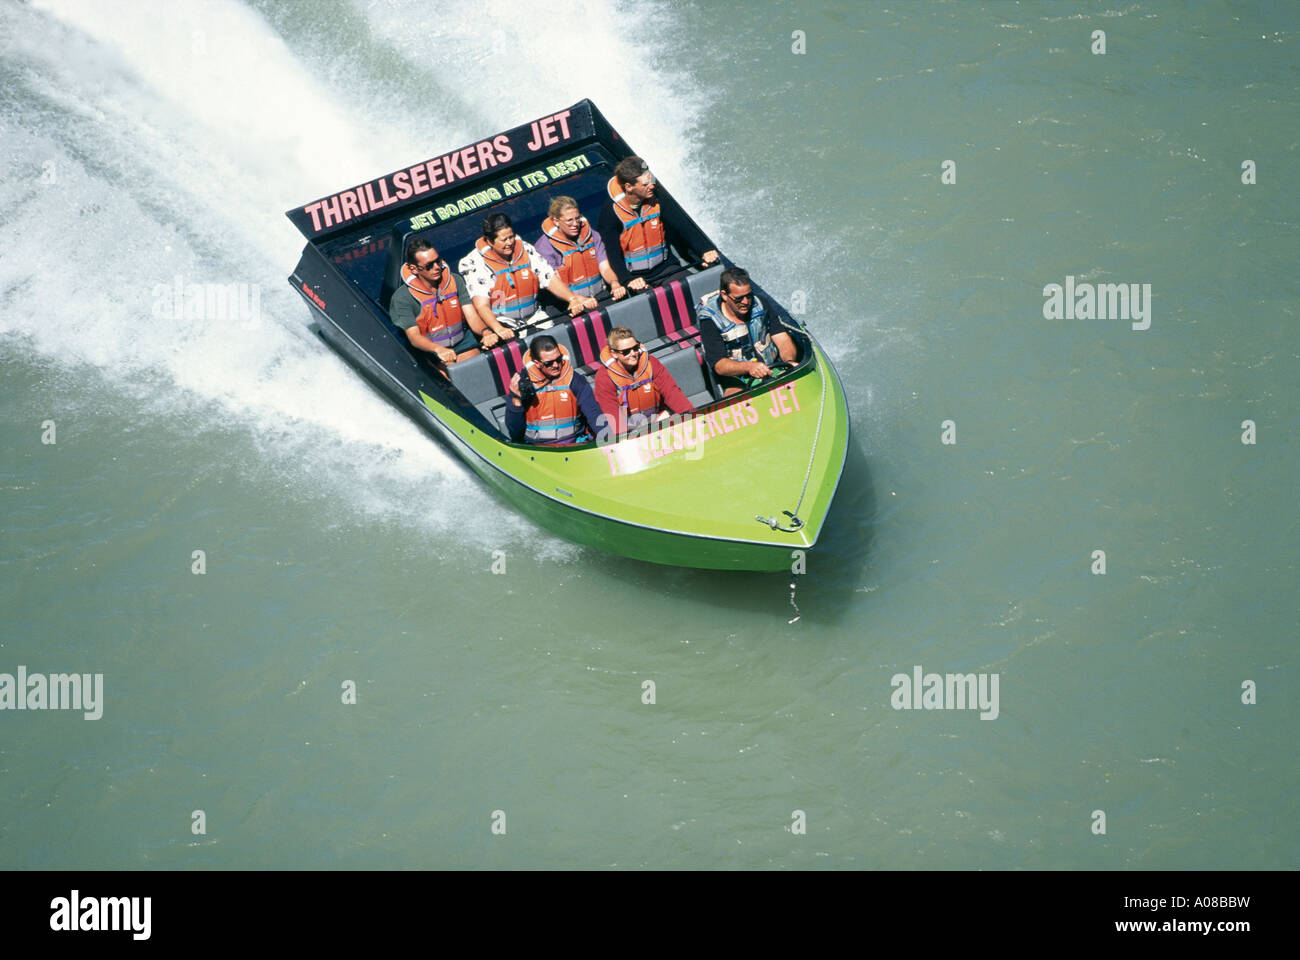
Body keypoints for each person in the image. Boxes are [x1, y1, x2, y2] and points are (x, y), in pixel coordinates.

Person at [596, 156, 718, 292]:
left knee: (695, 290)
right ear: (629, 187)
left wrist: (705, 250)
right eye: (645, 184)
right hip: (636, 278)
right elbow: (612, 253)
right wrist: (627, 280)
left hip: (666, 267)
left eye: (651, 181)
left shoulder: (658, 198)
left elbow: (684, 226)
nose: (652, 186)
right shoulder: (610, 212)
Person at [460, 213, 597, 329]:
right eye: (504, 240)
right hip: (503, 322)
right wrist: (498, 329)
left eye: (511, 237)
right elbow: (482, 305)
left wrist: (572, 299)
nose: (510, 243)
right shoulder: (474, 263)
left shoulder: (524, 249)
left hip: (535, 315)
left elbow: (548, 277)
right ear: (490, 241)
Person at [390, 238, 513, 362]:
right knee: (449, 373)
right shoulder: (402, 298)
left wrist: (485, 332)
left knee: (473, 366)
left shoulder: (455, 281)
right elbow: (414, 337)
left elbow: (471, 317)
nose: (437, 267)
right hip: (432, 352)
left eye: (438, 261)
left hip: (462, 342)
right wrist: (438, 349)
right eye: (429, 265)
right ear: (414, 269)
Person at [698, 267, 798, 396]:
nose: (746, 302)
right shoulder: (709, 321)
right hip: (738, 378)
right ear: (724, 295)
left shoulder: (761, 303)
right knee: (734, 397)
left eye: (748, 296)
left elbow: (782, 338)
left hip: (774, 366)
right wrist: (749, 367)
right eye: (738, 298)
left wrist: (788, 363)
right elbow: (719, 365)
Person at [592, 326, 693, 437]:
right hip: (627, 431)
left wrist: (691, 416)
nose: (633, 354)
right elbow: (611, 413)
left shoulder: (651, 363)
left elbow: (672, 392)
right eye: (626, 352)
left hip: (657, 421)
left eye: (635, 348)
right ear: (614, 353)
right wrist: (627, 440)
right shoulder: (604, 377)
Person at [505, 335, 605, 445]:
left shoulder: (575, 380)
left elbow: (594, 414)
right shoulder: (523, 385)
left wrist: (607, 439)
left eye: (558, 359)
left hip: (575, 443)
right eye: (549, 363)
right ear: (537, 363)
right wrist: (516, 400)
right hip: (538, 448)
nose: (556, 365)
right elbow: (515, 434)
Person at [535, 196, 626, 303]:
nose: (575, 224)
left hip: (601, 295)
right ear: (556, 221)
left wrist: (614, 283)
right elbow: (552, 283)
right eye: (569, 220)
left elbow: (604, 267)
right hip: (569, 303)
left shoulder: (592, 235)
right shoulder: (544, 247)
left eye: (577, 218)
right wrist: (576, 300)